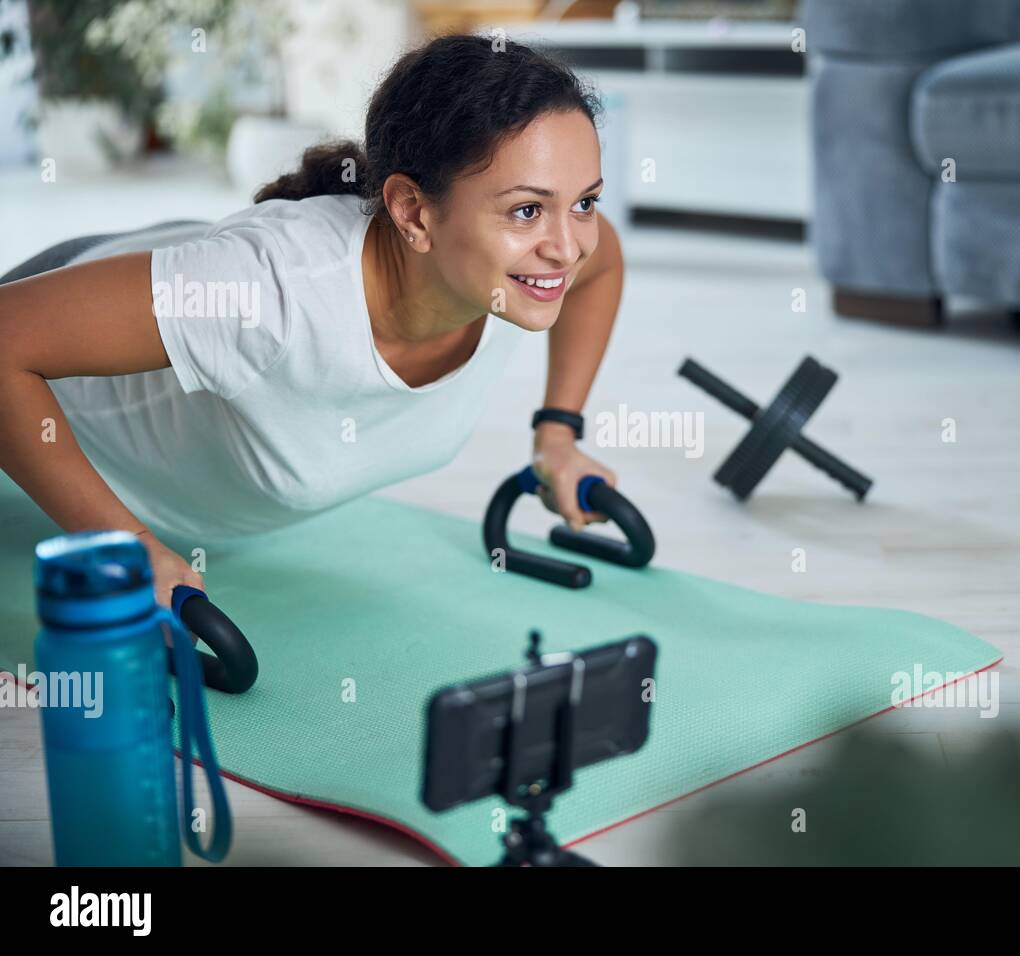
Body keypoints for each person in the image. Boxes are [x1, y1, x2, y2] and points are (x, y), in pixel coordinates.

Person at [0, 34, 624, 607]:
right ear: (412, 211)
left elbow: (603, 264)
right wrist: (128, 547)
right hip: (63, 302)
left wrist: (558, 435)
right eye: (525, 212)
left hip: (175, 266)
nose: (567, 248)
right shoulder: (272, 292)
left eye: (585, 203)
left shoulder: (527, 270)